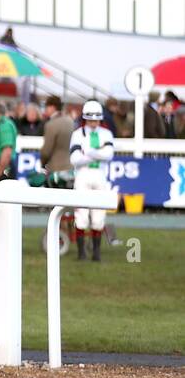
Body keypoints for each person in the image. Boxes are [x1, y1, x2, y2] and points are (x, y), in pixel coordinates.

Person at [71, 100, 115, 262]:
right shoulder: (77, 134)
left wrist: (88, 152)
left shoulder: (106, 134)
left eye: (96, 120)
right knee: (81, 214)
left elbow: (109, 155)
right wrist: (98, 153)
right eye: (90, 120)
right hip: (82, 175)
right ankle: (81, 253)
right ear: (85, 119)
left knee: (99, 215)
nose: (93, 123)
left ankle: (96, 253)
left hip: (100, 175)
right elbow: (75, 159)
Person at [39, 96, 74, 176]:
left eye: (46, 107)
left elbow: (46, 151)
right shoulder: (70, 121)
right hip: (69, 166)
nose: (45, 110)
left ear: (52, 107)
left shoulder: (51, 124)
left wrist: (40, 162)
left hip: (55, 168)